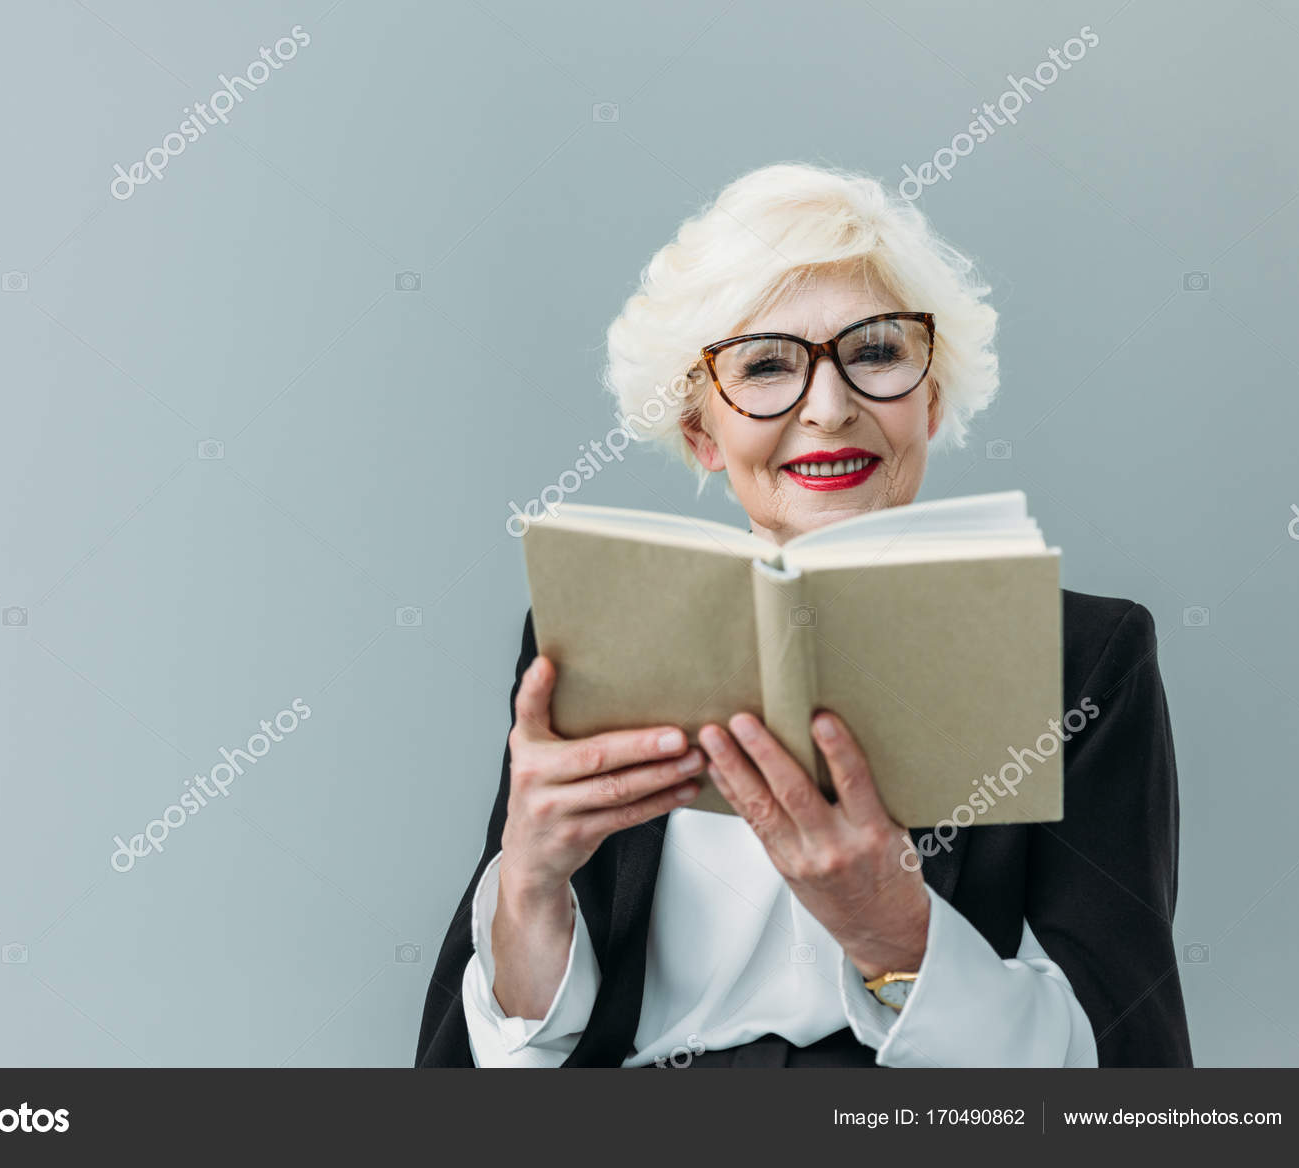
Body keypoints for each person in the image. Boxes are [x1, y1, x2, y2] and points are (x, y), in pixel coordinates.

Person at [416, 162, 1191, 1068]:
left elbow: (1131, 1057)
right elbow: (500, 1059)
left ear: (931, 398)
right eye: (766, 365)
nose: (829, 409)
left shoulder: (1081, 658)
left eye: (876, 353)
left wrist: (897, 937)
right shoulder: (597, 633)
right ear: (703, 432)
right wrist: (528, 887)